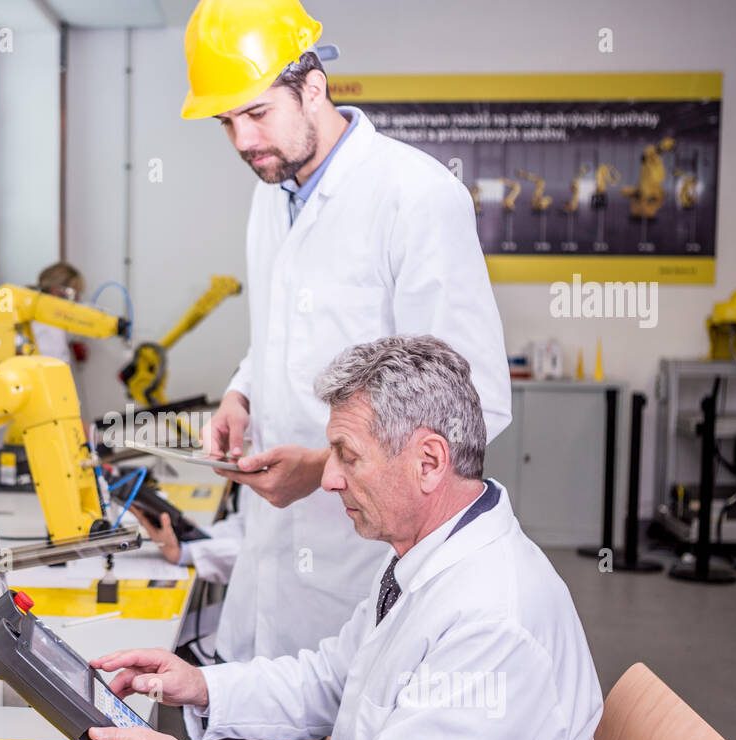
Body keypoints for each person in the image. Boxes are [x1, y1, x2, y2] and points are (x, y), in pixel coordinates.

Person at [80, 336, 605, 740]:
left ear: (428, 462)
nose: (328, 479)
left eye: (347, 456)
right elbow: (334, 677)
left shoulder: (495, 621)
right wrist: (201, 686)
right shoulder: (422, 553)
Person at [182, 0, 512, 664]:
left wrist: (324, 468)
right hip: (273, 556)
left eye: (256, 113)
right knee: (265, 725)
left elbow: (473, 403)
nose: (243, 142)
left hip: (363, 561)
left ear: (312, 87)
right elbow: (280, 334)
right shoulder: (271, 194)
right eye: (226, 122)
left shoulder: (414, 196)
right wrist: (241, 395)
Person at [29, 262, 85, 366]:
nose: (76, 301)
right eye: (75, 295)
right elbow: (57, 361)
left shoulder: (38, 312)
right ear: (56, 291)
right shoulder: (47, 323)